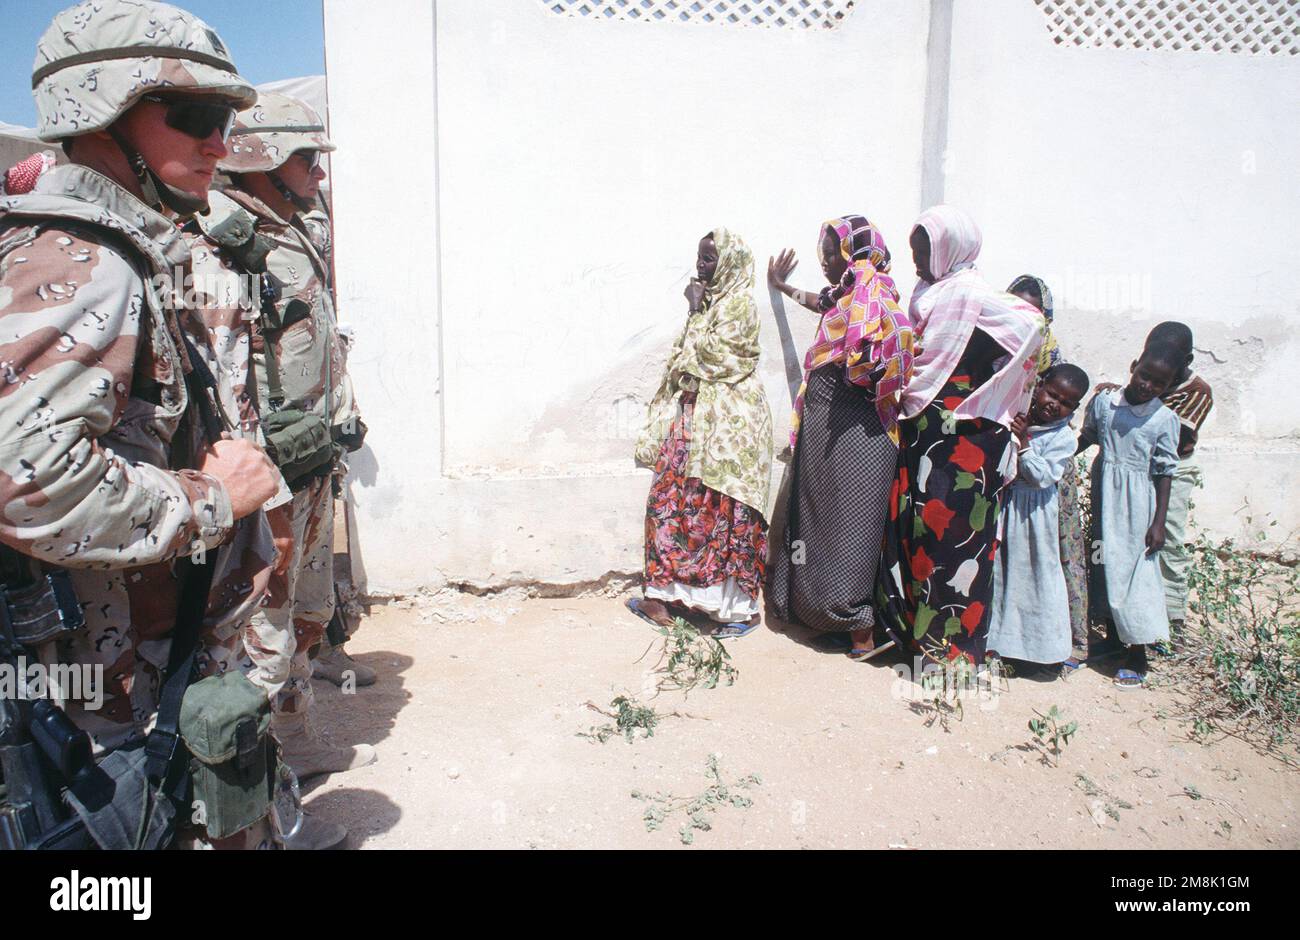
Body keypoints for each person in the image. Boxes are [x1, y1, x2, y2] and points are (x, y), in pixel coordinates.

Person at [0, 0, 283, 848]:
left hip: (135, 661)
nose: (218, 143)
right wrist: (214, 499)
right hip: (109, 690)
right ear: (101, 114)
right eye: (195, 115)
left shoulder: (126, 242)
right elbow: (28, 477)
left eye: (226, 120)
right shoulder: (82, 256)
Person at [216, 93, 376, 779]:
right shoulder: (230, 245)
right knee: (270, 613)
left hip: (312, 450)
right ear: (266, 162)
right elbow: (227, 371)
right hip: (276, 465)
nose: (318, 173)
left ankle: (295, 733)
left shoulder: (290, 228)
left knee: (309, 600)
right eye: (306, 159)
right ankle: (269, 763)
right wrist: (261, 473)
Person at [873, 206, 1045, 667]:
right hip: (922, 425)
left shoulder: (973, 294)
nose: (914, 259)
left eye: (922, 249)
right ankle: (913, 638)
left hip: (964, 430)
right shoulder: (930, 291)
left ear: (951, 248)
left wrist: (1002, 396)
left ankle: (950, 653)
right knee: (917, 530)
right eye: (912, 250)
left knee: (957, 539)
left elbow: (1033, 327)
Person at [765, 216, 914, 659]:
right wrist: (783, 288)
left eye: (833, 253)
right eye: (824, 254)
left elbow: (875, 354)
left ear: (855, 252)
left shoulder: (871, 291)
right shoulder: (851, 291)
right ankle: (819, 613)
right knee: (819, 520)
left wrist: (860, 376)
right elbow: (824, 303)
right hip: (829, 425)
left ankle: (860, 630)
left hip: (857, 431)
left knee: (851, 525)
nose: (826, 262)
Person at [630, 229, 773, 636]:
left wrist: (694, 313)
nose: (701, 266)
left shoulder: (740, 306)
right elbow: (683, 358)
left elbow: (708, 360)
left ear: (728, 262)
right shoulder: (712, 304)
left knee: (724, 508)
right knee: (673, 500)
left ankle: (731, 610)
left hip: (731, 428)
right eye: (699, 257)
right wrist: (697, 314)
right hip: (698, 418)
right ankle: (664, 595)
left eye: (709, 259)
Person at [1076, 343, 1182, 689]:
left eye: (1159, 384)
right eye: (1144, 376)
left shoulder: (1164, 418)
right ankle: (1111, 638)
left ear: (1168, 387)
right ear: (1133, 366)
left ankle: (1138, 651)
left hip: (1138, 509)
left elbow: (1165, 471)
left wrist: (1158, 522)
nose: (1148, 386)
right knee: (1102, 563)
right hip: (1104, 496)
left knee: (1134, 575)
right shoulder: (1105, 404)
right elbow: (1088, 436)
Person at [1008, 274, 1089, 666]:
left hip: (1043, 489)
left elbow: (1046, 466)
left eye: (1033, 311)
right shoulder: (995, 344)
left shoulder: (1050, 360)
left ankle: (1064, 642)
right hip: (1011, 490)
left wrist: (1026, 445)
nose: (1023, 317)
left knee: (1052, 561)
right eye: (1015, 307)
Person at [986, 364, 1090, 672]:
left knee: (1034, 577)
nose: (1054, 405)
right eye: (1052, 394)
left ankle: (1041, 649)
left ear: (1075, 408)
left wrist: (1025, 447)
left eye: (1066, 403)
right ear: (1040, 385)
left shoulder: (1063, 438)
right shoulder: (1019, 414)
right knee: (1003, 573)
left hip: (1035, 518)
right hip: (1008, 508)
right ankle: (999, 644)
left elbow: (1042, 477)